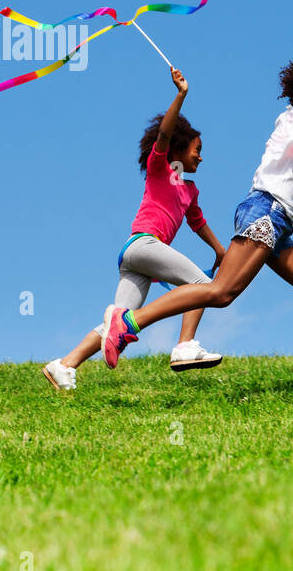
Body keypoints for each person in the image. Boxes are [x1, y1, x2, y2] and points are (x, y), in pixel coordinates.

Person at [99, 43, 293, 401]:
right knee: (221, 292)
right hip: (267, 211)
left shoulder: (291, 118)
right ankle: (128, 323)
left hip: (273, 215)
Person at [43, 66, 227, 391]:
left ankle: (64, 365)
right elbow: (164, 136)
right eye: (197, 150)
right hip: (143, 246)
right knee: (202, 286)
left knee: (118, 326)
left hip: (138, 259)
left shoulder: (190, 190)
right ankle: (185, 346)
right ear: (179, 151)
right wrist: (181, 95)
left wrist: (218, 248)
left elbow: (197, 222)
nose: (201, 157)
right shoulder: (160, 170)